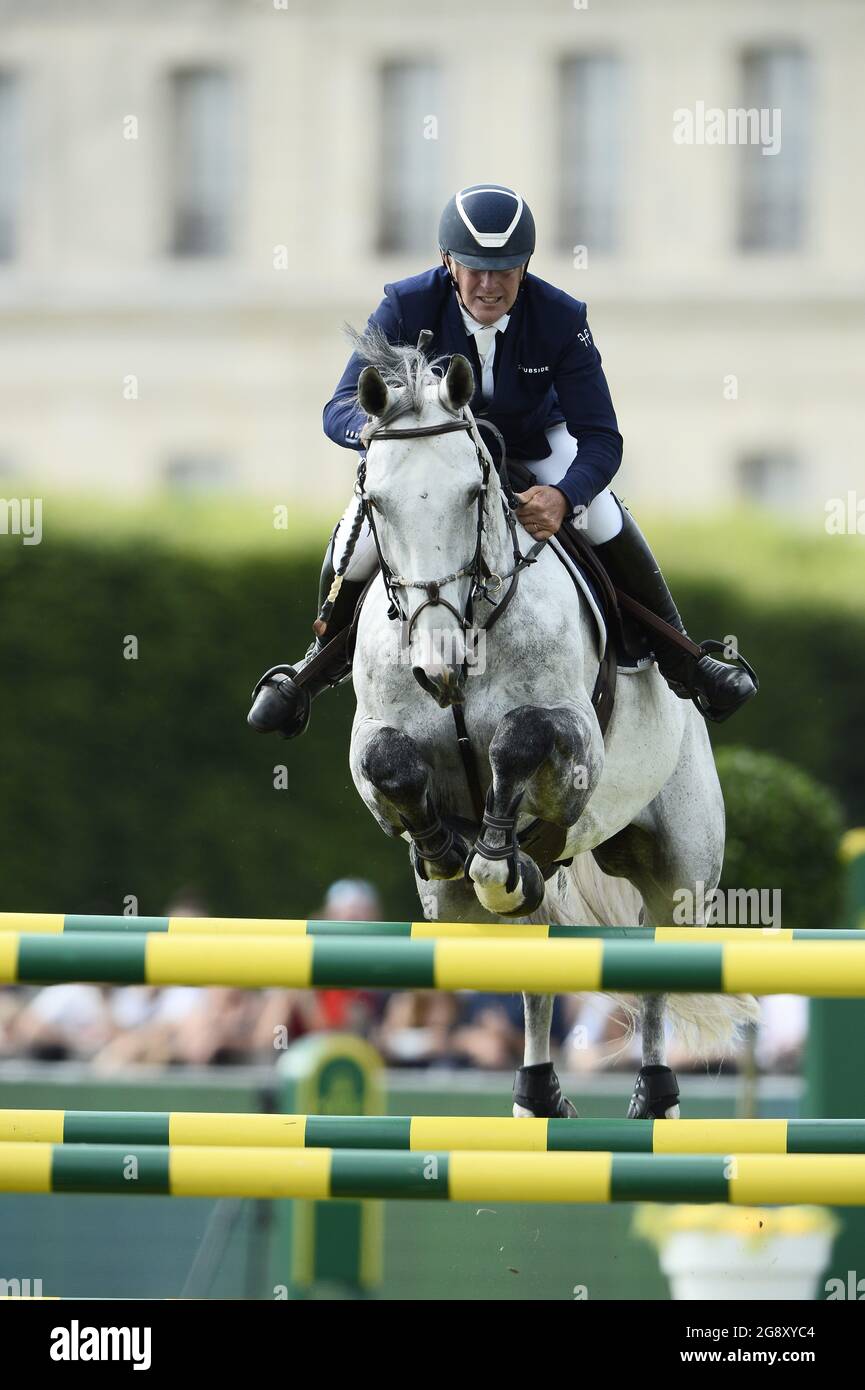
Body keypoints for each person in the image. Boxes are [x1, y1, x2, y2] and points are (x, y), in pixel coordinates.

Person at [249, 183, 757, 739]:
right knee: (361, 534)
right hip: (434, 458)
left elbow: (602, 437)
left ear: (525, 266)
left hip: (534, 445)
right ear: (448, 263)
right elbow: (338, 408)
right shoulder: (405, 304)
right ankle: (313, 668)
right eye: (474, 269)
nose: (489, 285)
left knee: (602, 514)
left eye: (506, 269)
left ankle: (686, 661)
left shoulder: (562, 317)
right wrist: (384, 432)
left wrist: (564, 497)